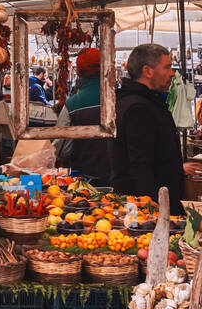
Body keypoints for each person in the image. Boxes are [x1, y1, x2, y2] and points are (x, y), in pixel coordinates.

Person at [113, 43, 184, 211]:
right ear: (148, 71)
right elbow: (140, 166)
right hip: (148, 210)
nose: (172, 73)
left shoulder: (143, 102)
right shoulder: (139, 108)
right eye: (167, 67)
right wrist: (152, 210)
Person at [54, 48, 113, 183]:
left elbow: (61, 149)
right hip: (118, 176)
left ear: (79, 72)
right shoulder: (118, 98)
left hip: (85, 178)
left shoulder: (73, 104)